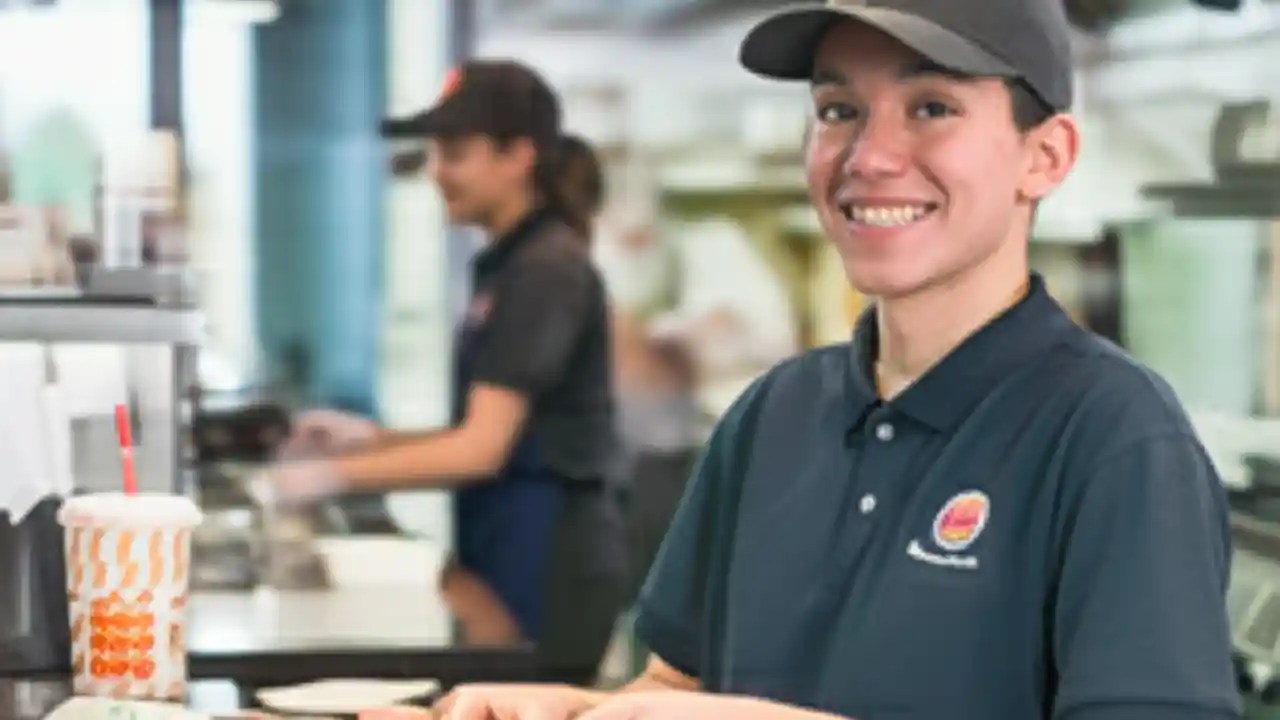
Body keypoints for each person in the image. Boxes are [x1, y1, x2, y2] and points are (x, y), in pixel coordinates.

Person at [429, 0, 1241, 718]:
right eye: (838, 108)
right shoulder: (773, 413)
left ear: (1046, 156)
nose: (868, 157)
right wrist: (568, 713)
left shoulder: (1115, 439)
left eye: (931, 106)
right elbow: (679, 692)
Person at [266, 60, 628, 679]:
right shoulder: (509, 264)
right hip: (510, 544)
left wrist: (322, 477)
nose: (437, 172)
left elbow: (479, 451)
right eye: (434, 153)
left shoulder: (546, 271)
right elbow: (495, 431)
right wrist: (369, 439)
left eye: (455, 153)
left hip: (549, 561)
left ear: (519, 155)